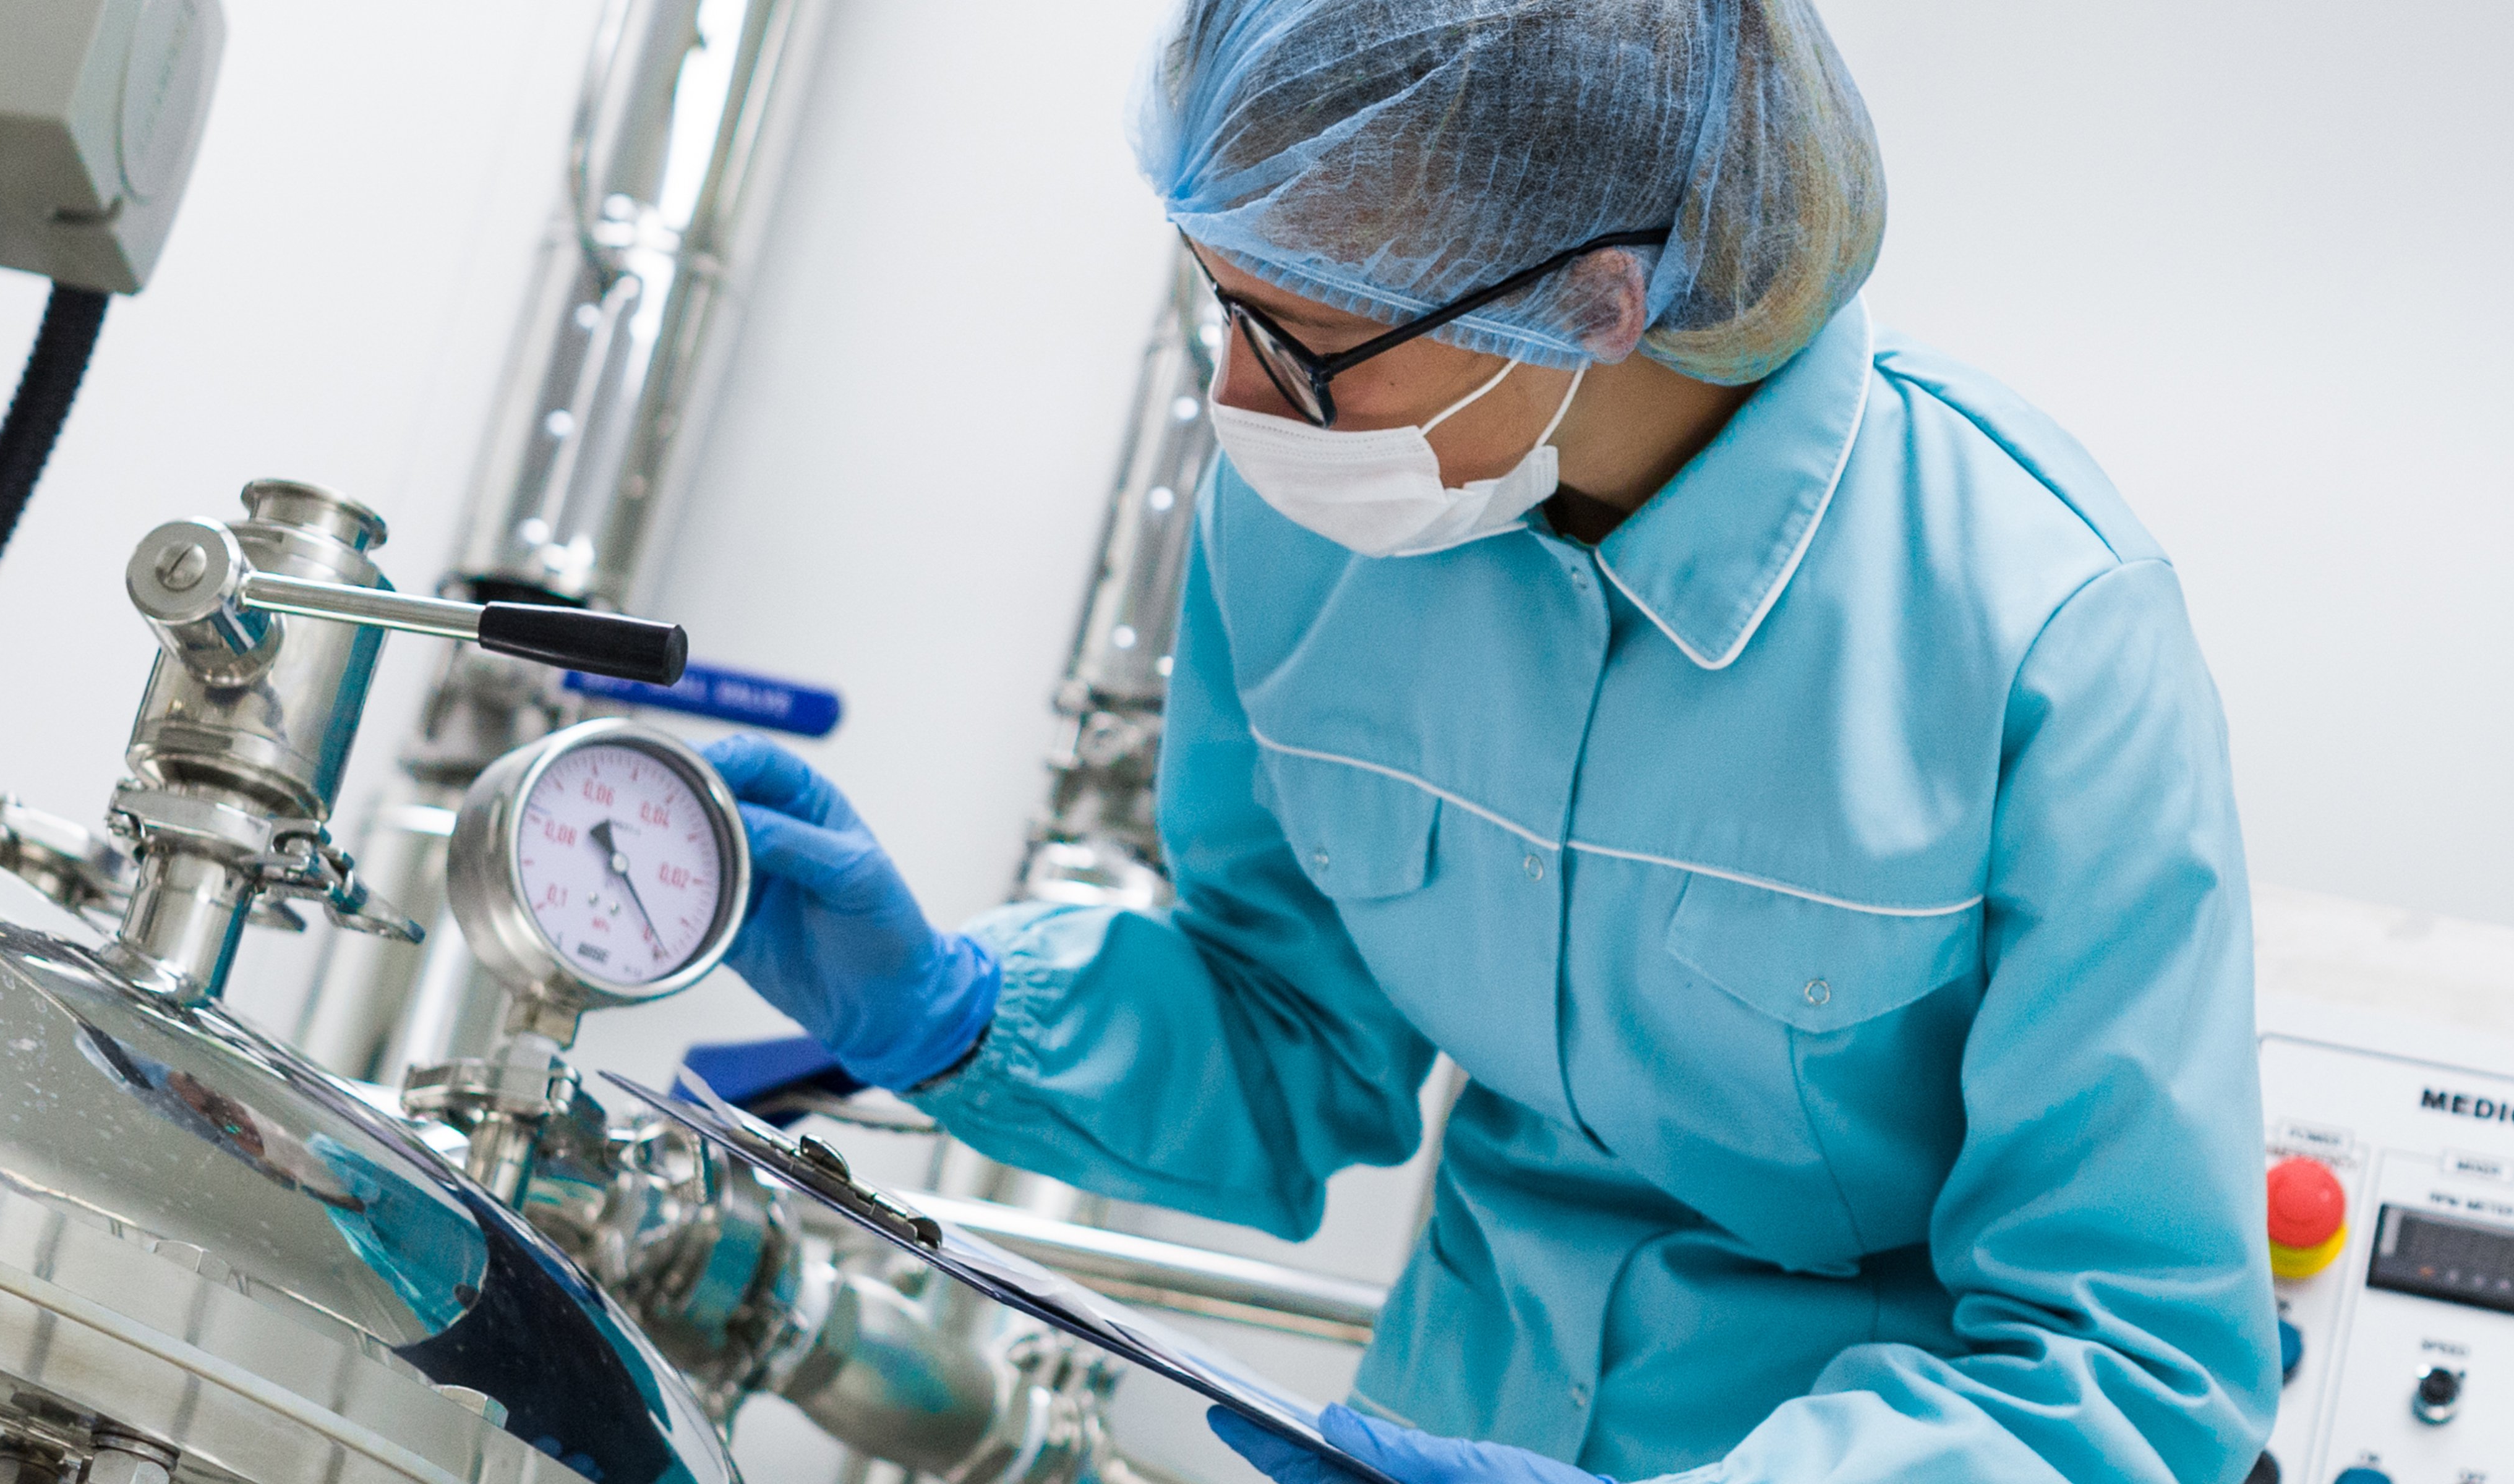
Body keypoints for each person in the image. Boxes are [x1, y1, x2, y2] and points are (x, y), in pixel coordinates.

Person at [702, 1, 2278, 1480]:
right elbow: (1295, 1040)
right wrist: (957, 1012)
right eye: (1225, 303)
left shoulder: (2040, 634)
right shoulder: (1313, 526)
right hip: (1454, 1401)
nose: (1243, 399)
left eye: (1309, 340)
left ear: (1598, 301)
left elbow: (2125, 1362)